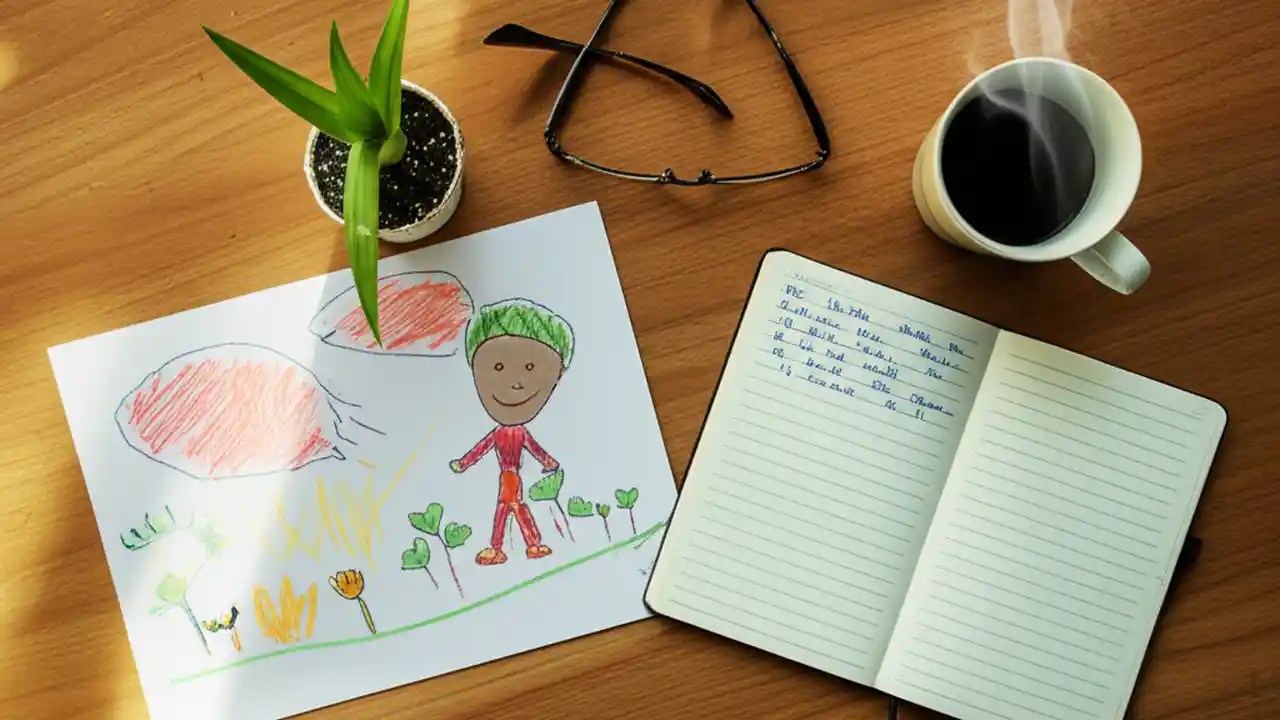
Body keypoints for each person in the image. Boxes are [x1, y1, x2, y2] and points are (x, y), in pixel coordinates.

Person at [449, 299, 574, 565]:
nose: (515, 383)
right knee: (509, 508)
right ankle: (525, 544)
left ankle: (518, 545)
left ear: (559, 374)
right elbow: (480, 450)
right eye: (498, 368)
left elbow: (535, 451)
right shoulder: (503, 433)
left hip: (511, 476)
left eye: (530, 368)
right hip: (509, 476)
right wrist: (463, 463)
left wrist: (549, 463)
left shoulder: (514, 433)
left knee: (509, 508)